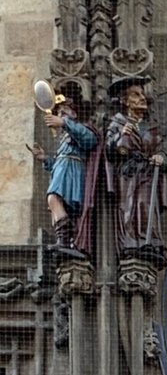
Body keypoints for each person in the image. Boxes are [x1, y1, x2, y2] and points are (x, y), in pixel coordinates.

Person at [105, 75, 167, 261]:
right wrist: (119, 138)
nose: (142, 98)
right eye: (135, 95)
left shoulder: (151, 127)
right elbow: (109, 152)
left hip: (148, 172)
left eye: (142, 94)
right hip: (128, 174)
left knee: (146, 204)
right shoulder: (117, 124)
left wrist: (162, 158)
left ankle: (149, 241)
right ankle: (131, 242)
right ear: (125, 101)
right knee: (131, 206)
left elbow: (162, 151)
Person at [27, 92, 99, 255]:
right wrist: (45, 158)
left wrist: (64, 123)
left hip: (72, 172)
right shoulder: (64, 139)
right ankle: (65, 240)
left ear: (74, 113)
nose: (60, 115)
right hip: (62, 171)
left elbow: (90, 140)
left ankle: (65, 240)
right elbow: (57, 164)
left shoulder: (82, 129)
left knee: (53, 199)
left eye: (64, 112)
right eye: (59, 113)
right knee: (56, 205)